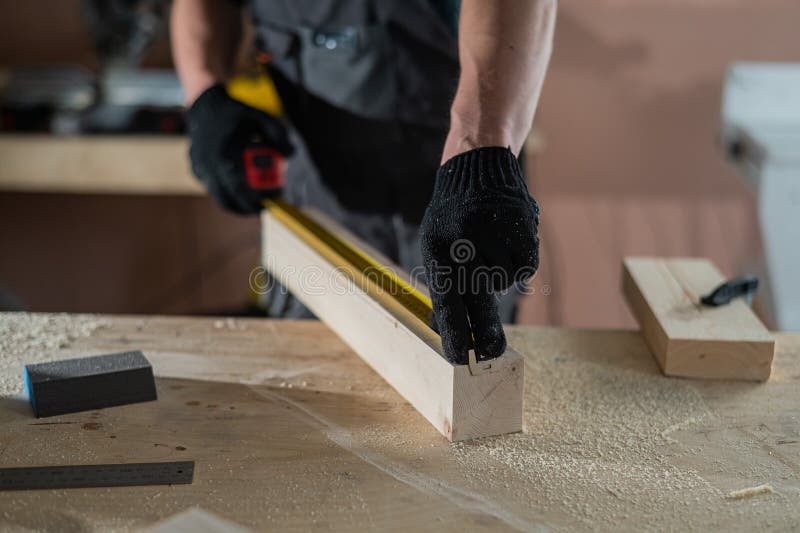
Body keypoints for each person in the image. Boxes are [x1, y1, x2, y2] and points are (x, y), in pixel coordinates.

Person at [171, 0, 556, 364]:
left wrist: (480, 151)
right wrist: (204, 91)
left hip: (462, 194)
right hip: (318, 201)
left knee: (471, 360)